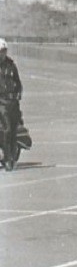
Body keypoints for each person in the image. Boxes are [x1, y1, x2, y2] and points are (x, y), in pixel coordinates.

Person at [0, 39, 23, 169]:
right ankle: (7, 158)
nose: (2, 54)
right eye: (1, 51)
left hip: (12, 102)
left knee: (13, 130)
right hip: (1, 101)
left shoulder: (11, 65)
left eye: (4, 51)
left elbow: (17, 82)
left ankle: (12, 157)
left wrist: (18, 94)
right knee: (7, 129)